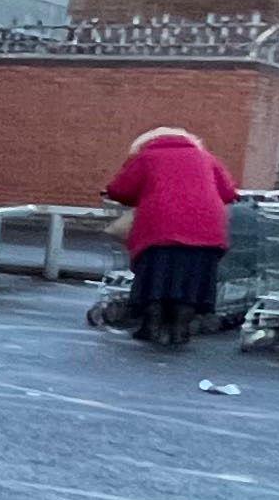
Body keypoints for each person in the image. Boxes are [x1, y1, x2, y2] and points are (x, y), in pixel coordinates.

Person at [101, 126, 237, 347]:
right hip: (206, 227)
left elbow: (120, 190)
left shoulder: (146, 157)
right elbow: (229, 192)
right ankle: (180, 329)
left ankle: (151, 326)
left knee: (155, 276)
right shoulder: (207, 158)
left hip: (160, 227)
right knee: (194, 279)